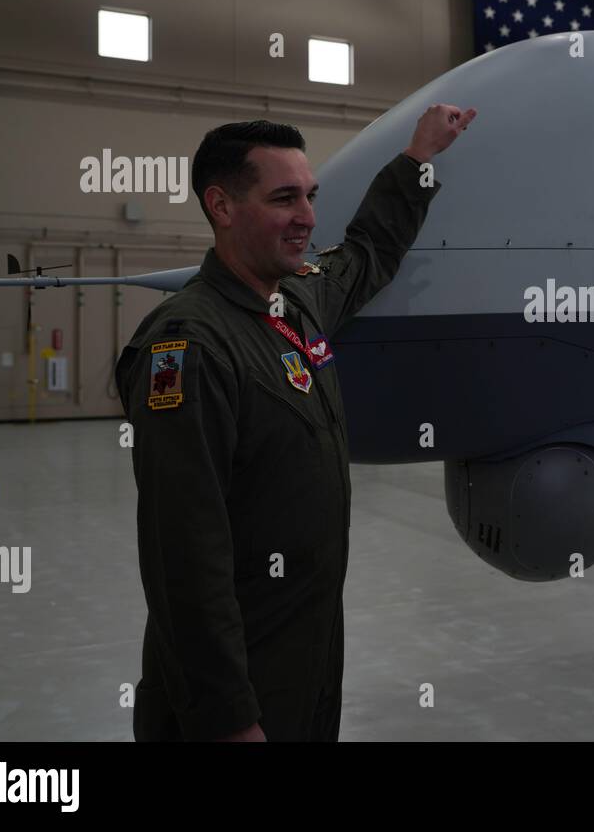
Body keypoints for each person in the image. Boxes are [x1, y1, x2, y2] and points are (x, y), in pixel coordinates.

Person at [115, 106, 474, 741]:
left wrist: (418, 159)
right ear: (221, 206)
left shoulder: (294, 302)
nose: (307, 216)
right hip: (233, 690)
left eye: (310, 196)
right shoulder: (190, 346)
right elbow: (184, 557)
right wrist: (228, 717)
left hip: (304, 658)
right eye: (284, 198)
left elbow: (369, 250)